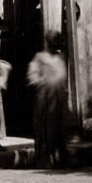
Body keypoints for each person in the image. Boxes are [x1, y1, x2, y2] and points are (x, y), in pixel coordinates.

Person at [27, 32, 69, 168]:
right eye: (53, 41)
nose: (55, 44)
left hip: (59, 99)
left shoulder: (61, 57)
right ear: (48, 42)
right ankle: (45, 158)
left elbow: (63, 76)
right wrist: (42, 81)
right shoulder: (39, 58)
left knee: (59, 127)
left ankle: (61, 157)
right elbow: (32, 76)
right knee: (45, 128)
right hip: (45, 99)